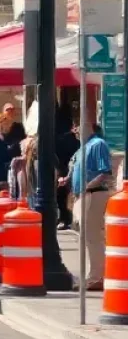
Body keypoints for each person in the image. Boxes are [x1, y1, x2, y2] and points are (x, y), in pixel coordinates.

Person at [61, 121, 113, 292]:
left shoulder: (98, 144)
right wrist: (68, 180)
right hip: (84, 195)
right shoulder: (83, 147)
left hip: (93, 194)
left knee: (92, 236)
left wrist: (86, 188)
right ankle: (95, 274)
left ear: (88, 126)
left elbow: (104, 172)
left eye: (77, 126)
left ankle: (97, 276)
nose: (74, 130)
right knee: (87, 236)